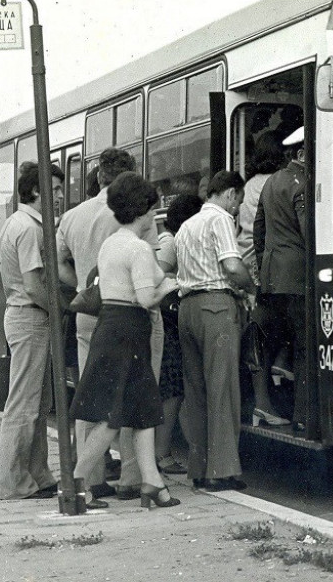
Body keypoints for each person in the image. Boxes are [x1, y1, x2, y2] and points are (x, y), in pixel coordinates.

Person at [69, 172, 181, 510]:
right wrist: (172, 286)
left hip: (110, 328)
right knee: (111, 417)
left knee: (144, 411)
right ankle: (75, 482)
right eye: (151, 210)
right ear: (142, 211)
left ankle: (153, 484)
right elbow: (147, 298)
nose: (154, 217)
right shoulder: (139, 249)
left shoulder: (111, 244)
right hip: (130, 331)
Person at [56, 148, 145, 501]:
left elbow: (58, 264)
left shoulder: (73, 217)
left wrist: (82, 283)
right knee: (131, 393)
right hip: (125, 313)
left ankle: (92, 479)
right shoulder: (132, 213)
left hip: (87, 314)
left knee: (89, 394)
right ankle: (131, 478)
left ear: (98, 178)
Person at [175, 171, 255, 491]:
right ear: (230, 194)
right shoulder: (219, 219)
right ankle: (221, 471)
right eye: (238, 201)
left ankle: (199, 466)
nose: (237, 209)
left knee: (196, 392)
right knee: (222, 389)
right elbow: (233, 266)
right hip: (216, 307)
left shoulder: (186, 226)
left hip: (188, 309)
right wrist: (250, 288)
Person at [0, 161, 65, 500]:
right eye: (56, 189)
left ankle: (38, 474)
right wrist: (60, 310)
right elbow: (34, 284)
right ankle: (13, 482)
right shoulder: (30, 228)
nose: (61, 196)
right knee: (24, 405)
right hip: (31, 317)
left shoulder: (16, 222)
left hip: (24, 317)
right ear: (36, 191)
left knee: (36, 401)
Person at [254, 127, 309, 432]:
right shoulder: (302, 184)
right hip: (296, 277)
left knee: (274, 340)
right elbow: (307, 232)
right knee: (303, 345)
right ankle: (302, 415)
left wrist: (265, 268)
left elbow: (259, 231)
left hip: (272, 276)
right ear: (301, 154)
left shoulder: (272, 181)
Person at [237, 133, 290, 426]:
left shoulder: (249, 185)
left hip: (250, 261)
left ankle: (264, 400)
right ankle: (278, 370)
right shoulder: (279, 182)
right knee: (271, 327)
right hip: (266, 262)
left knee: (260, 330)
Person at [153, 193, 203, 475]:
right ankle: (162, 454)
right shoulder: (170, 241)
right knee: (172, 390)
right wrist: (180, 282)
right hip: (167, 322)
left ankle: (161, 451)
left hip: (169, 323)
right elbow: (158, 274)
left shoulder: (169, 239)